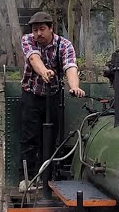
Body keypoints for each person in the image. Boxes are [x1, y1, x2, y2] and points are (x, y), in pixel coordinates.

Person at [19, 11, 84, 181]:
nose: (38, 34)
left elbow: (70, 66)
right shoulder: (27, 40)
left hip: (53, 96)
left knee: (51, 139)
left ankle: (47, 178)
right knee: (29, 138)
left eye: (42, 29)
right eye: (35, 30)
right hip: (31, 94)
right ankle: (26, 178)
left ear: (51, 28)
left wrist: (74, 87)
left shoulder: (64, 45)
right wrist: (44, 72)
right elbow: (33, 59)